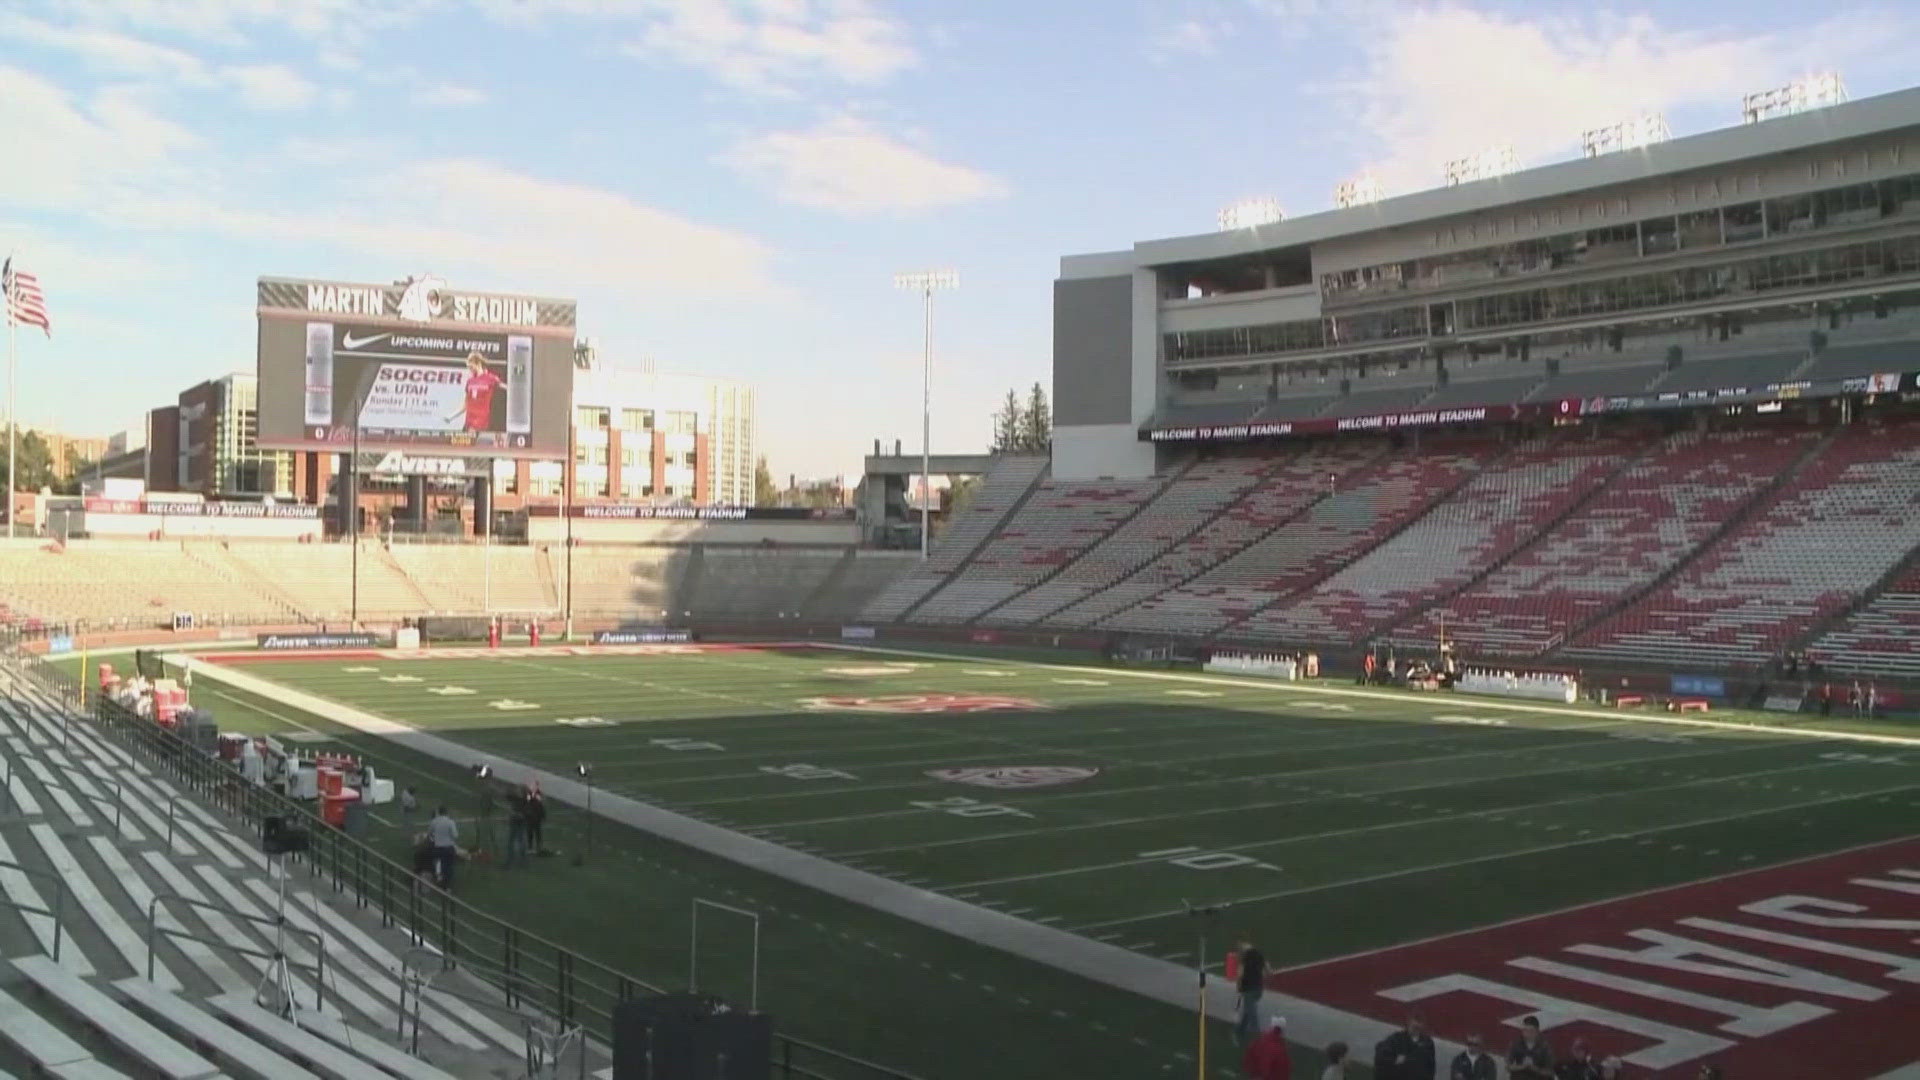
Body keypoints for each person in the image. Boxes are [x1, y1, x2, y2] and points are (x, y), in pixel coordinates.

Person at [446, 351, 504, 432]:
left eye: (471, 367)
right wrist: (451, 417)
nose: (470, 369)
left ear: (478, 363)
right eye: (469, 368)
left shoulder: (491, 378)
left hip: (481, 419)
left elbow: (505, 387)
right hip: (469, 420)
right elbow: (465, 405)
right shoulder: (470, 381)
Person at [1373, 1015, 1436, 1080]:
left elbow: (1431, 1067)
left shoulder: (1428, 1043)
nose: (1416, 1029)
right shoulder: (1396, 1038)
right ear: (1408, 1023)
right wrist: (1394, 1059)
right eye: (1414, 1027)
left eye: (1418, 1027)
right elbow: (1381, 1052)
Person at [1235, 939, 1268, 1044]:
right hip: (1258, 988)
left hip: (1248, 988)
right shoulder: (1259, 955)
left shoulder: (1243, 958)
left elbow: (1240, 974)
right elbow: (1268, 970)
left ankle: (1258, 1039)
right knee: (1249, 1011)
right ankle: (1239, 1032)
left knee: (1252, 1014)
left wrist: (1239, 987)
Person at [1240, 1015, 1290, 1080]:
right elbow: (1283, 1070)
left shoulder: (1260, 1041)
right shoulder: (1281, 1049)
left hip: (1256, 1075)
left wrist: (1249, 1069)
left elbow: (1249, 1054)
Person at [426, 805, 459, 888]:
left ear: (439, 812)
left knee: (438, 863)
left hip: (438, 847)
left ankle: (439, 878)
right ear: (446, 812)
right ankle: (447, 884)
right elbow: (455, 835)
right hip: (448, 847)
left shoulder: (434, 821)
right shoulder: (450, 822)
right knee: (448, 866)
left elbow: (429, 833)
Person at [504, 788, 529, 868]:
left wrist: (512, 813)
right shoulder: (519, 799)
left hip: (518, 824)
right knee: (517, 842)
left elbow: (522, 816)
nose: (516, 791)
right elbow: (506, 794)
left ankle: (513, 861)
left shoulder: (523, 802)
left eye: (519, 790)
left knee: (517, 842)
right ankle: (521, 860)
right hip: (516, 823)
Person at [525, 783, 547, 854]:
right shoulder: (529, 794)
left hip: (536, 816)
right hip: (532, 816)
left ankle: (537, 847)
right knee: (531, 832)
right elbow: (528, 801)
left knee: (537, 832)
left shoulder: (537, 794)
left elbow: (541, 804)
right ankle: (531, 847)